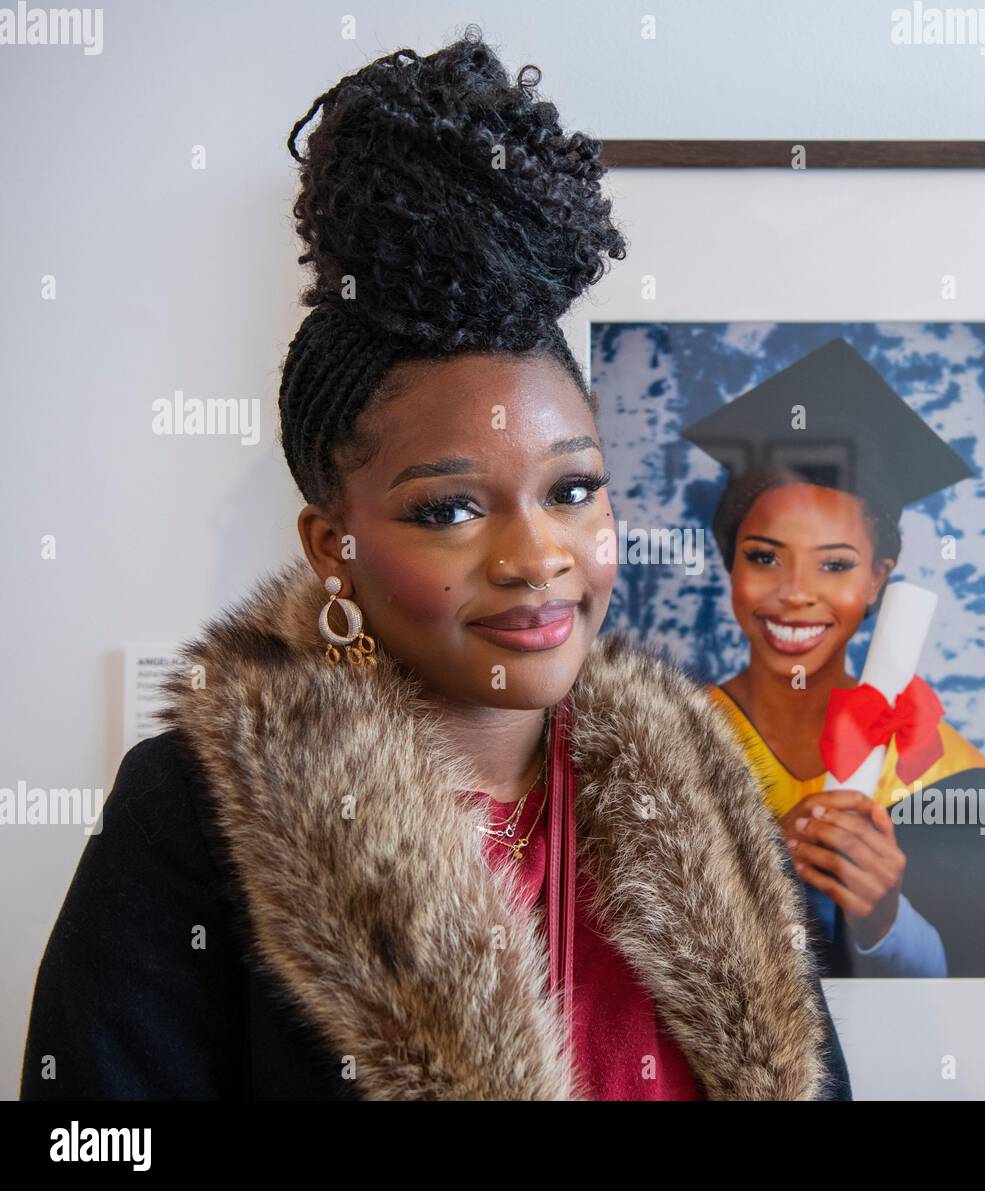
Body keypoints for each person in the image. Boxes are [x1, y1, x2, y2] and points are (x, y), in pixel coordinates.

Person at [19, 30, 849, 1101]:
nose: (536, 556)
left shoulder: (698, 775)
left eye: (572, 489)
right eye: (450, 508)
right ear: (335, 549)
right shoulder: (199, 810)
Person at [683, 337, 985, 979]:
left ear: (877, 581)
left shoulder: (951, 784)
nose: (794, 593)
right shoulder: (665, 748)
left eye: (835, 565)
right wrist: (754, 875)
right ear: (731, 566)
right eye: (763, 556)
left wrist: (885, 919)